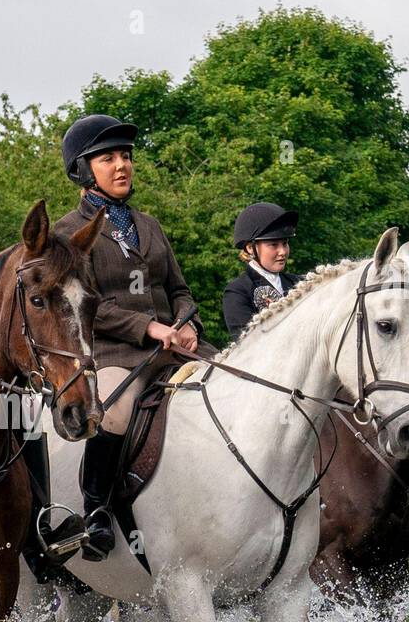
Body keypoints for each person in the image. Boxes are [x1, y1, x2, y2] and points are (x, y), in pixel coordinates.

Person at [53, 114, 202, 562]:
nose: (122, 166)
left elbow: (179, 289)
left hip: (174, 346)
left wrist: (186, 320)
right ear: (83, 170)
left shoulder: (150, 225)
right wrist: (147, 327)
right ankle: (95, 509)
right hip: (115, 351)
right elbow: (85, 305)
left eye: (126, 157)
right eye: (108, 158)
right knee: (114, 412)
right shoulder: (67, 234)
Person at [221, 202, 300, 341]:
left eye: (285, 243)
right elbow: (246, 345)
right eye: (273, 245)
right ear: (250, 248)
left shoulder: (299, 283)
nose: (282, 252)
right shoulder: (237, 292)